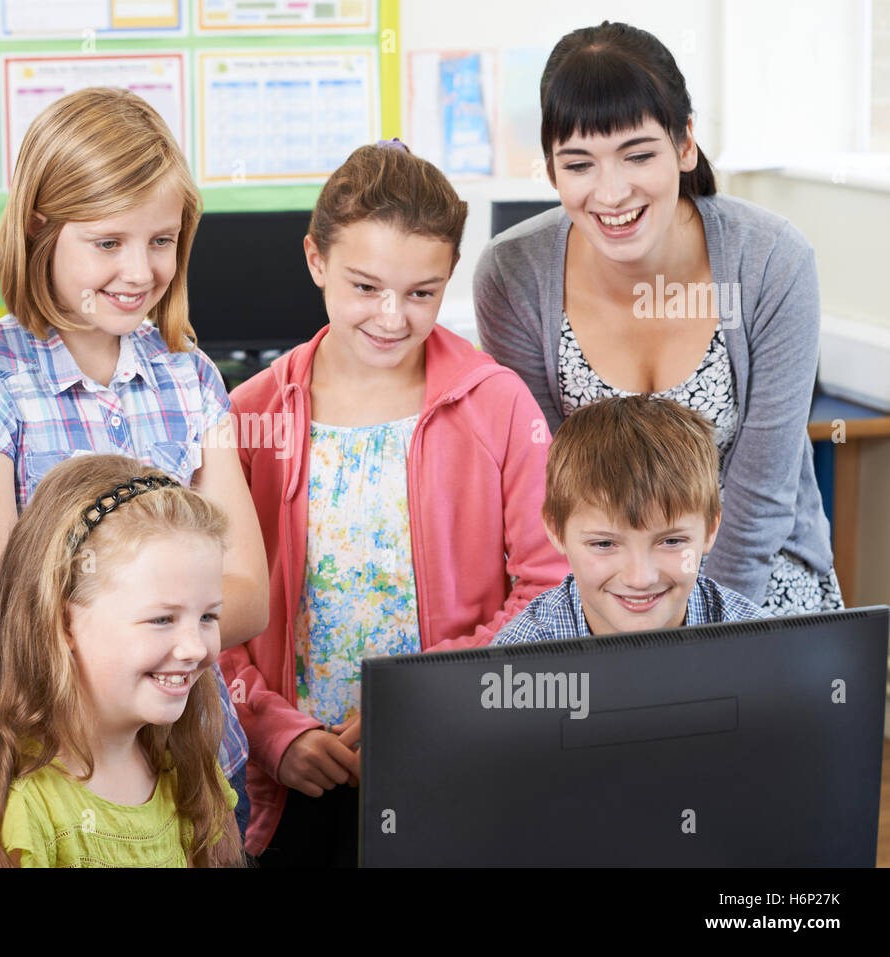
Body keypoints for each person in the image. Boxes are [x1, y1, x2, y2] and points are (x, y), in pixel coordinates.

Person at [0, 87, 267, 840]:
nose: (139, 270)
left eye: (161, 241)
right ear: (40, 228)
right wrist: (183, 611)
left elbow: (249, 596)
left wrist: (129, 622)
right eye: (108, 242)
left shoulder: (188, 376)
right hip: (53, 775)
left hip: (195, 760)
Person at [221, 140, 569, 864]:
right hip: (293, 779)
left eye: (422, 292)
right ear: (315, 260)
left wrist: (420, 704)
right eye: (365, 286)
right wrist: (272, 731)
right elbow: (211, 614)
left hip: (454, 757)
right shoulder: (249, 414)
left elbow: (549, 586)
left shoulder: (496, 401)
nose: (391, 316)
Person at [474, 20, 839, 616]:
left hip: (754, 579)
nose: (612, 193)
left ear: (685, 143)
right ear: (550, 170)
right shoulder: (512, 276)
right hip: (602, 591)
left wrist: (695, 634)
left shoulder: (772, 259)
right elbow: (552, 487)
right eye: (579, 164)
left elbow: (762, 498)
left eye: (637, 154)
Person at [0, 454, 243, 867]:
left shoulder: (190, 768)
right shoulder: (9, 808)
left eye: (208, 616)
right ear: (65, 621)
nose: (196, 648)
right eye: (162, 619)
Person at [494, 395, 762, 645]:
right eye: (603, 544)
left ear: (710, 529)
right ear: (556, 530)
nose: (640, 579)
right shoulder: (519, 661)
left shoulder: (757, 646)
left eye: (671, 541)